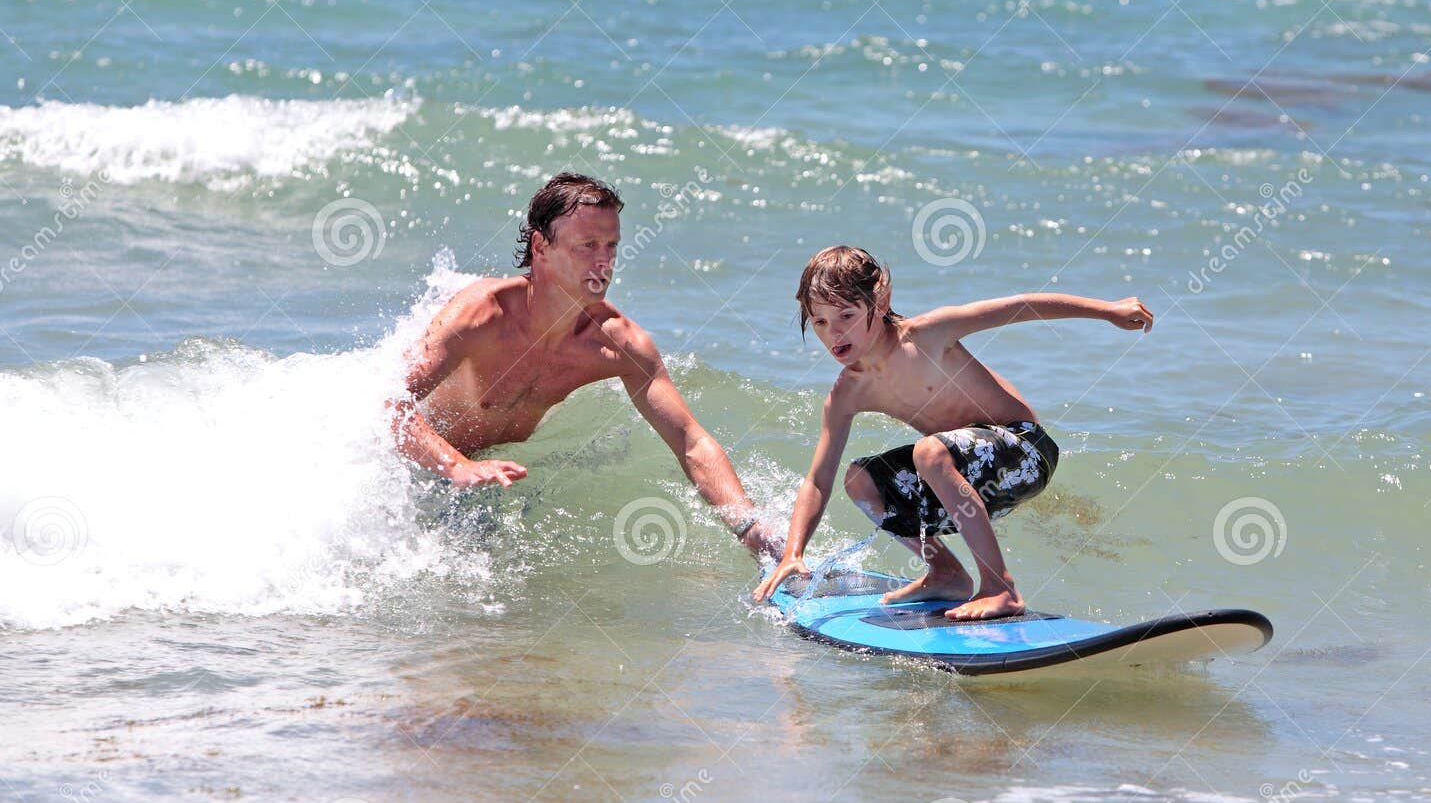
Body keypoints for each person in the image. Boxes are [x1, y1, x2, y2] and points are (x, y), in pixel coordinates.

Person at [389, 171, 782, 559]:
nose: (604, 262)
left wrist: (749, 527)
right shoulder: (480, 318)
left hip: (498, 483)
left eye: (611, 246)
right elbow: (388, 402)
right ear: (541, 246)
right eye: (588, 245)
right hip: (414, 473)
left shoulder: (618, 344)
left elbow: (691, 442)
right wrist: (455, 466)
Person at [752, 246, 1153, 619]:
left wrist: (1108, 311)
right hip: (969, 474)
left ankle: (1001, 588)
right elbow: (818, 480)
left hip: (1027, 451)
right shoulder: (847, 393)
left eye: (846, 316)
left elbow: (1021, 306)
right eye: (819, 321)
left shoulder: (927, 336)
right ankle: (945, 572)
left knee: (928, 453)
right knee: (859, 480)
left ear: (881, 301)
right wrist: (793, 551)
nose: (833, 333)